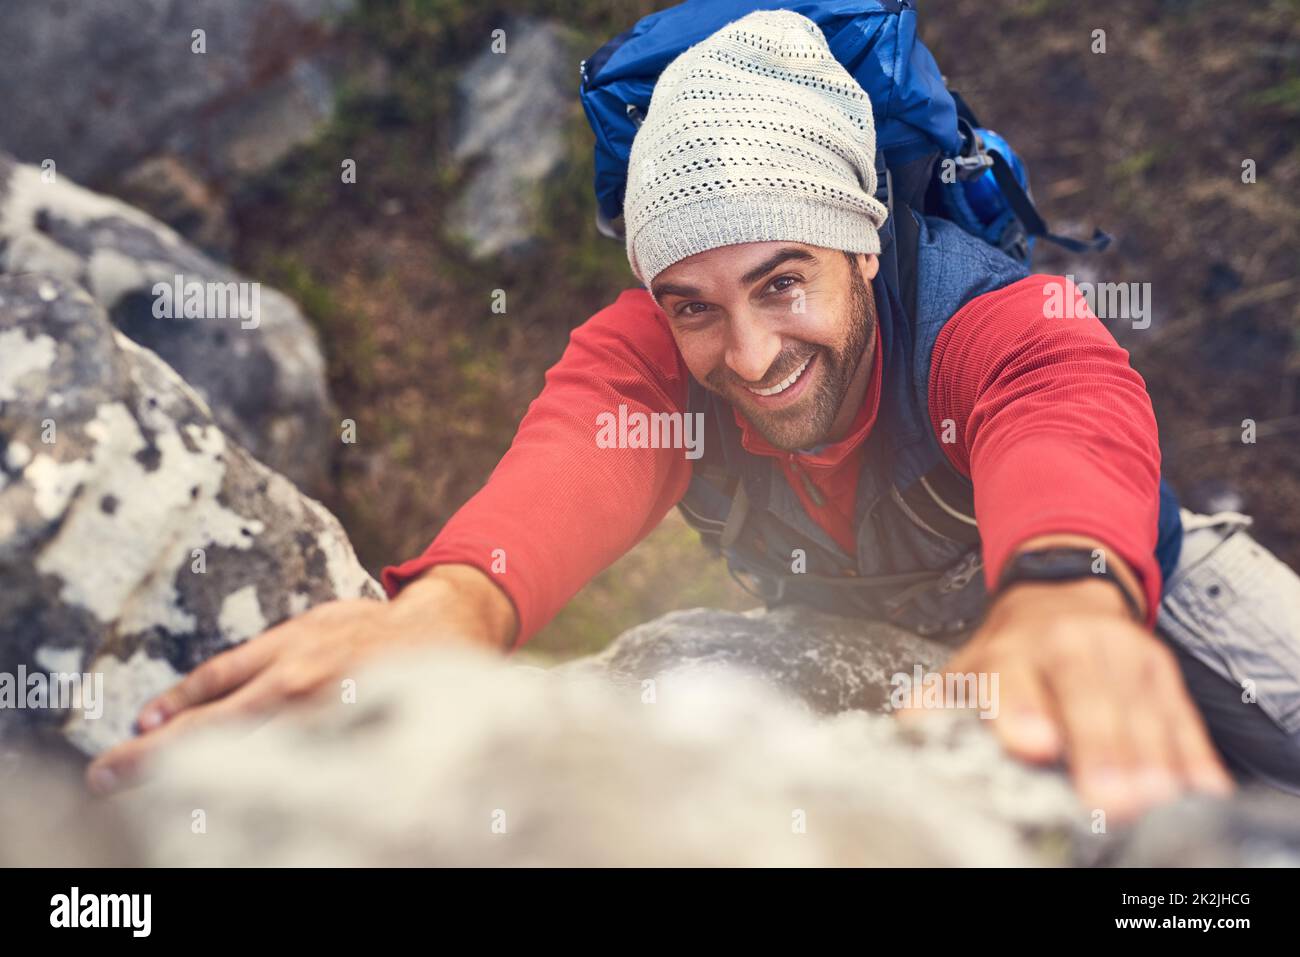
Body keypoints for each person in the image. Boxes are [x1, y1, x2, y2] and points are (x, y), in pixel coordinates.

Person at [89, 10, 1300, 824]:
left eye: (783, 282)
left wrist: (1066, 593)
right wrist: (448, 612)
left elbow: (1062, 401)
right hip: (861, 633)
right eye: (694, 306)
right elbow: (571, 459)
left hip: (1139, 584)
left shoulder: (983, 315)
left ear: (865, 244)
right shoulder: (649, 359)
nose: (749, 355)